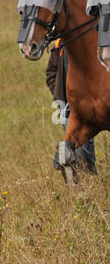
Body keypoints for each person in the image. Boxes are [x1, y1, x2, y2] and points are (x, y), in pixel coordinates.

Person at [45, 38, 96, 177]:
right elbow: (50, 72)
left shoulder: (86, 41)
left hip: (85, 106)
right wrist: (59, 94)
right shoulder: (59, 43)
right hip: (65, 107)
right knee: (72, 146)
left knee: (84, 145)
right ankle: (78, 182)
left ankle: (89, 177)